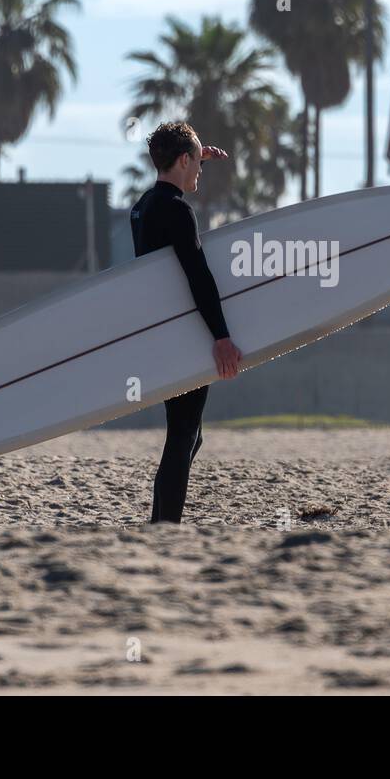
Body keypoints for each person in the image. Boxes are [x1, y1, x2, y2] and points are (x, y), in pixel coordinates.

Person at [130, 121, 243, 523]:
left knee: (187, 435)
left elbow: (160, 277)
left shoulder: (142, 207)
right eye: (194, 162)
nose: (199, 170)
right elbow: (197, 273)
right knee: (183, 435)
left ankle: (161, 521)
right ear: (181, 160)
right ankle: (164, 526)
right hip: (185, 334)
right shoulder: (178, 210)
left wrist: (198, 155)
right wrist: (222, 337)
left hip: (162, 335)